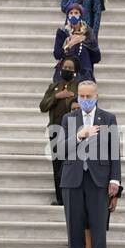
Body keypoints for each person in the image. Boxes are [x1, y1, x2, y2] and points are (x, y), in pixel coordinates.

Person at [57, 81, 122, 248]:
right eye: (82, 96)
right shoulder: (69, 118)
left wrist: (115, 181)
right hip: (73, 178)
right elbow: (60, 150)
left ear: (96, 96)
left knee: (98, 226)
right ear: (77, 96)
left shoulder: (108, 118)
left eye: (89, 96)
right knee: (74, 226)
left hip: (98, 179)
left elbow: (114, 152)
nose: (85, 100)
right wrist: (79, 136)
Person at [41, 60, 81, 206]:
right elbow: (43, 106)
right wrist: (56, 97)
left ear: (75, 70)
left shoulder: (79, 87)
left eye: (70, 68)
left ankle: (73, 196)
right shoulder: (53, 87)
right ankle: (61, 198)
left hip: (73, 132)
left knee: (71, 164)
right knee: (57, 165)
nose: (67, 70)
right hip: (56, 131)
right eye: (65, 67)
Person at [54, 11, 99, 83]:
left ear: (81, 15)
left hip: (84, 75)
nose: (73, 16)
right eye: (71, 13)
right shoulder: (62, 32)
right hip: (66, 75)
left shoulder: (88, 33)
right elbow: (57, 55)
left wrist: (86, 42)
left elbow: (96, 58)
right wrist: (69, 45)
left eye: (76, 13)